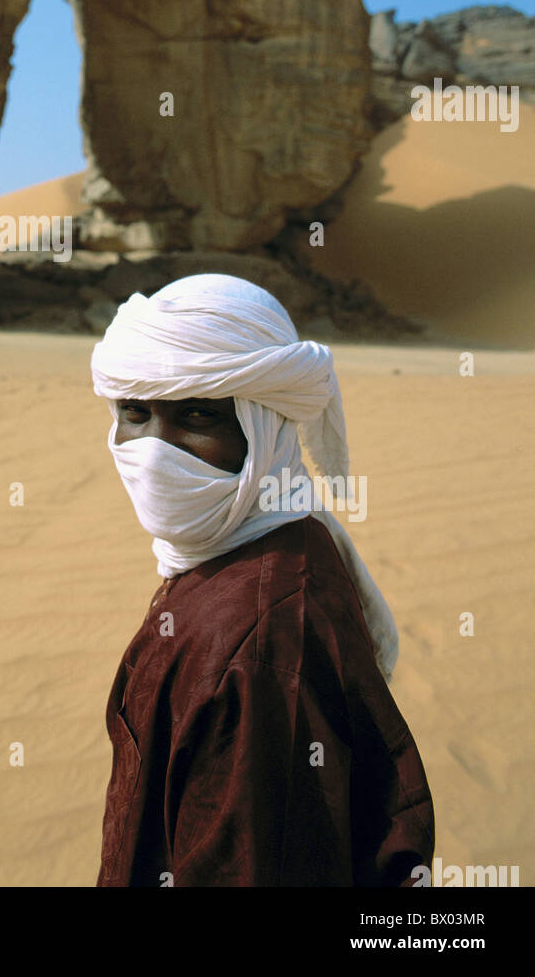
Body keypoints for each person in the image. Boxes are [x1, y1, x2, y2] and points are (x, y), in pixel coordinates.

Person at [90, 272, 435, 887]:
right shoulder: (269, 538)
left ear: (267, 427)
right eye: (134, 414)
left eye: (198, 414)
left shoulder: (260, 640)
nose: (155, 450)